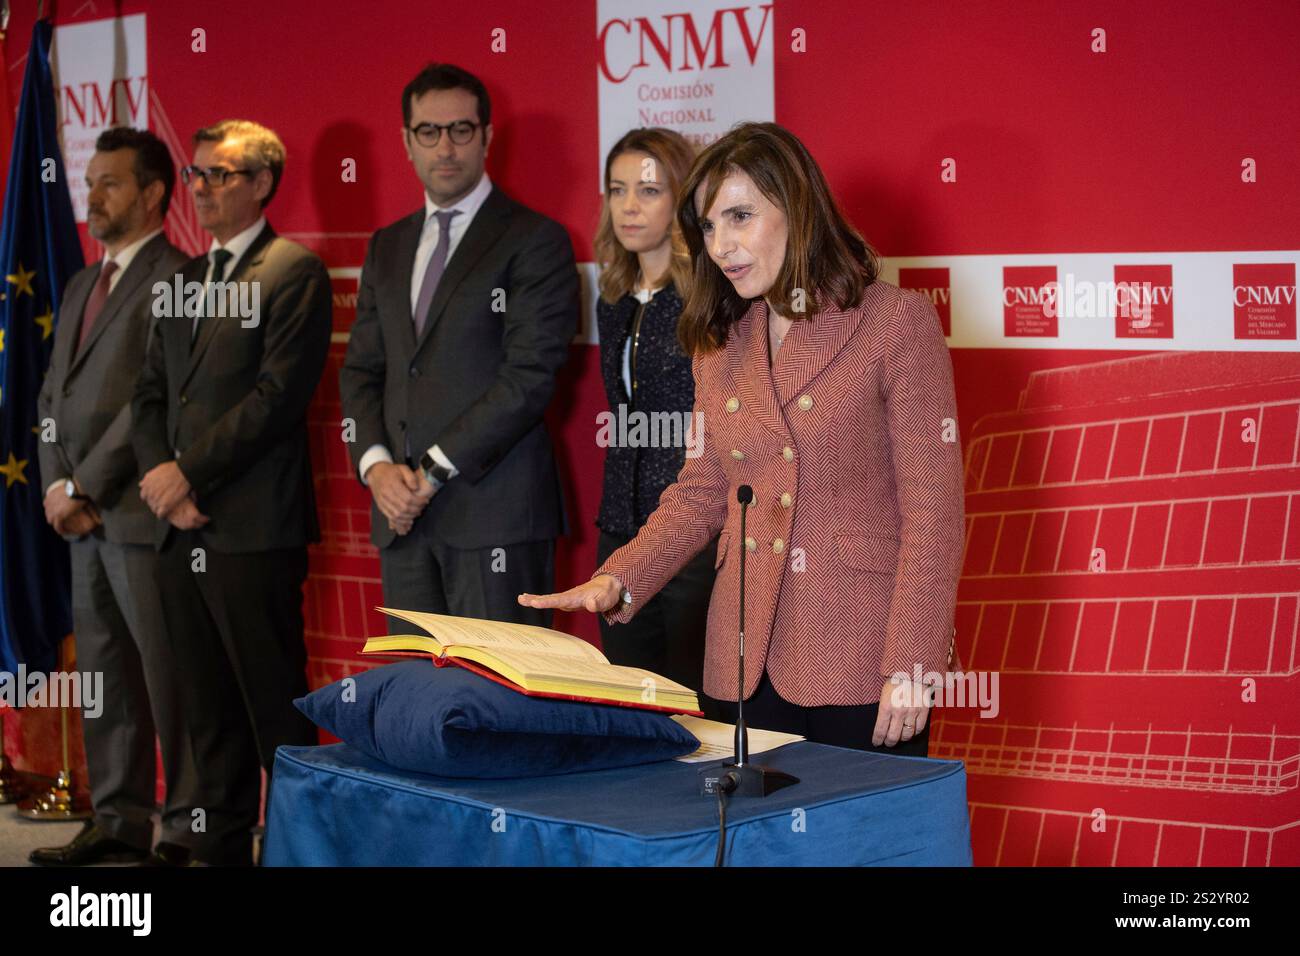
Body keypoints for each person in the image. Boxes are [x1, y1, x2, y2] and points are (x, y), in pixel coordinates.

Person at [521, 122, 964, 754]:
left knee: (854, 849)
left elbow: (934, 517)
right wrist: (620, 577)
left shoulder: (894, 322)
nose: (722, 244)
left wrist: (912, 666)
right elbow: (702, 490)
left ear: (798, 210)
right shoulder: (720, 341)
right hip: (740, 654)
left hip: (861, 661)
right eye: (707, 225)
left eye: (740, 216)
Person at [131, 119, 331, 865]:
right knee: (203, 702)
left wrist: (191, 474)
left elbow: (276, 400)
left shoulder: (292, 272)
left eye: (221, 174)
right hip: (179, 527)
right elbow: (148, 395)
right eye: (198, 175)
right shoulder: (180, 281)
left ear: (263, 184)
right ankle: (216, 846)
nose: (205, 189)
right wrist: (164, 484)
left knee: (270, 703)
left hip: (252, 527)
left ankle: (297, 849)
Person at [340, 63, 578, 631]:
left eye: (461, 130)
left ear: (488, 136)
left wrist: (427, 473)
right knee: (417, 709)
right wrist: (376, 469)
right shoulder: (388, 246)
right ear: (406, 141)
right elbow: (362, 371)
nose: (445, 147)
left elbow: (528, 379)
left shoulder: (535, 240)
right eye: (428, 131)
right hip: (401, 522)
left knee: (500, 711)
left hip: (494, 519)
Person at [30, 128, 200, 867]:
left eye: (110, 183)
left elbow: (148, 404)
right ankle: (118, 817)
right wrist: (54, 483)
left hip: (137, 515)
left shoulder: (179, 277)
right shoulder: (77, 284)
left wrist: (87, 484)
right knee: (102, 678)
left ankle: (189, 823)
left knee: (168, 675)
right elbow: (50, 395)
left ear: (154, 193)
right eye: (90, 181)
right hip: (81, 522)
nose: (92, 196)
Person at [592, 128, 717, 700]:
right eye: (617, 190)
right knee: (628, 699)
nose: (629, 206)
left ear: (681, 197)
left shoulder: (709, 296)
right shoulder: (612, 295)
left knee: (694, 699)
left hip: (693, 532)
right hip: (619, 528)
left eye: (648, 190)